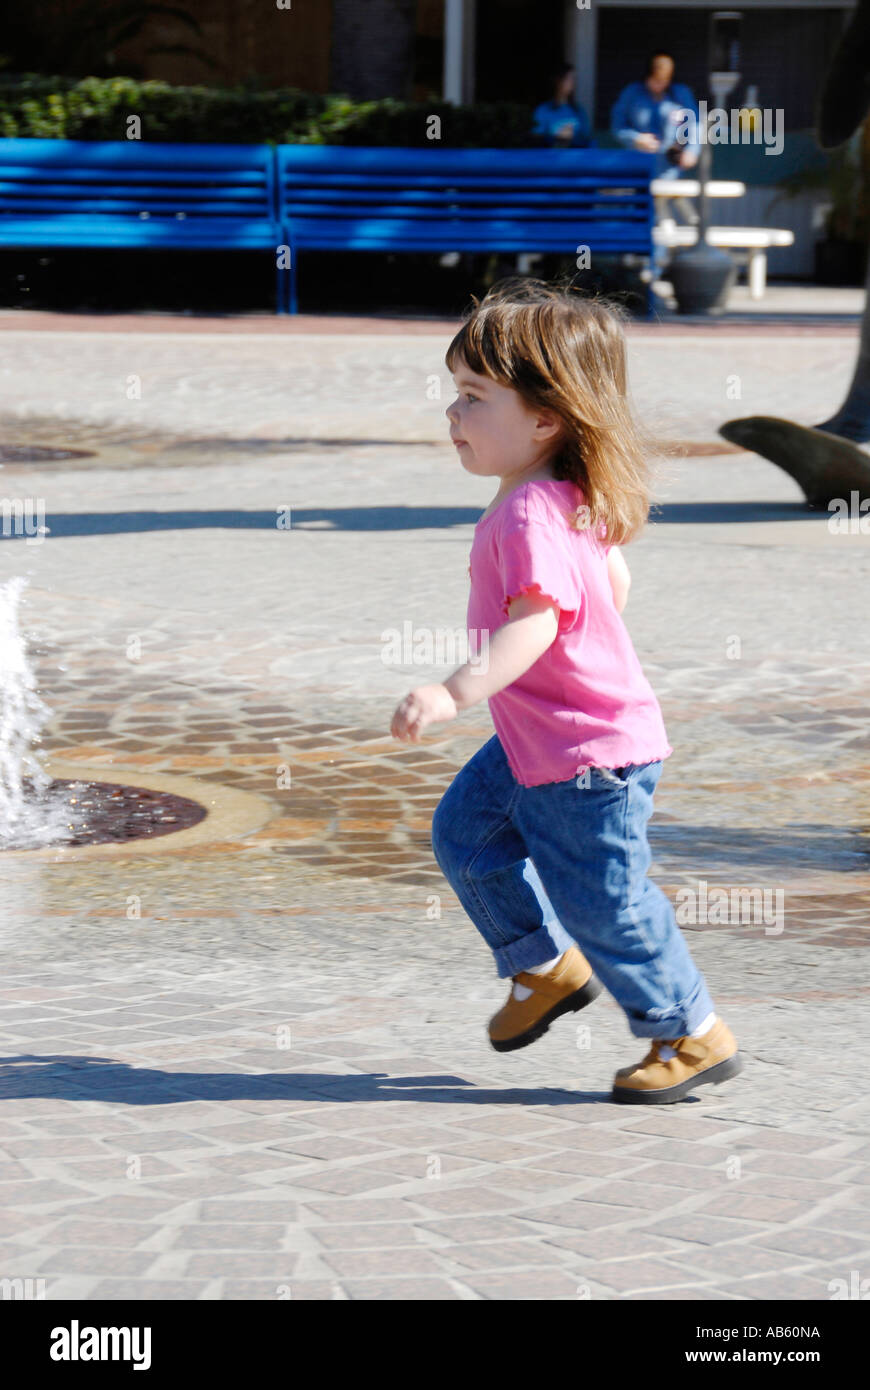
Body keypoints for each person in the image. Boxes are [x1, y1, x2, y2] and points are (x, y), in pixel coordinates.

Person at [390, 277, 742, 1104]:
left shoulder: (527, 517)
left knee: (609, 906)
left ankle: (691, 1031)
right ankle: (542, 968)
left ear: (546, 419)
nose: (453, 414)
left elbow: (538, 624)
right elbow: (611, 589)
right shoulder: (561, 497)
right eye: (455, 393)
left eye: (475, 396)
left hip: (586, 760)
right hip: (541, 741)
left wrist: (453, 691)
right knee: (467, 837)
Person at [612, 52, 702, 275]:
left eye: (665, 81)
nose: (660, 85)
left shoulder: (680, 94)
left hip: (668, 169)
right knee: (639, 216)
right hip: (638, 168)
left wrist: (691, 150)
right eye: (656, 80)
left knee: (667, 215)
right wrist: (636, 139)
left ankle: (656, 269)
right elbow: (617, 126)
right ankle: (633, 268)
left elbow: (696, 126)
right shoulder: (632, 94)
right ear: (648, 76)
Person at [532, 63, 593, 148]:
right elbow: (536, 139)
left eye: (574, 79)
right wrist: (557, 137)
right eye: (569, 79)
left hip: (575, 159)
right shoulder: (543, 110)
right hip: (551, 159)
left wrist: (573, 139)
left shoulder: (578, 111)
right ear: (558, 81)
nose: (573, 83)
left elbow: (587, 138)